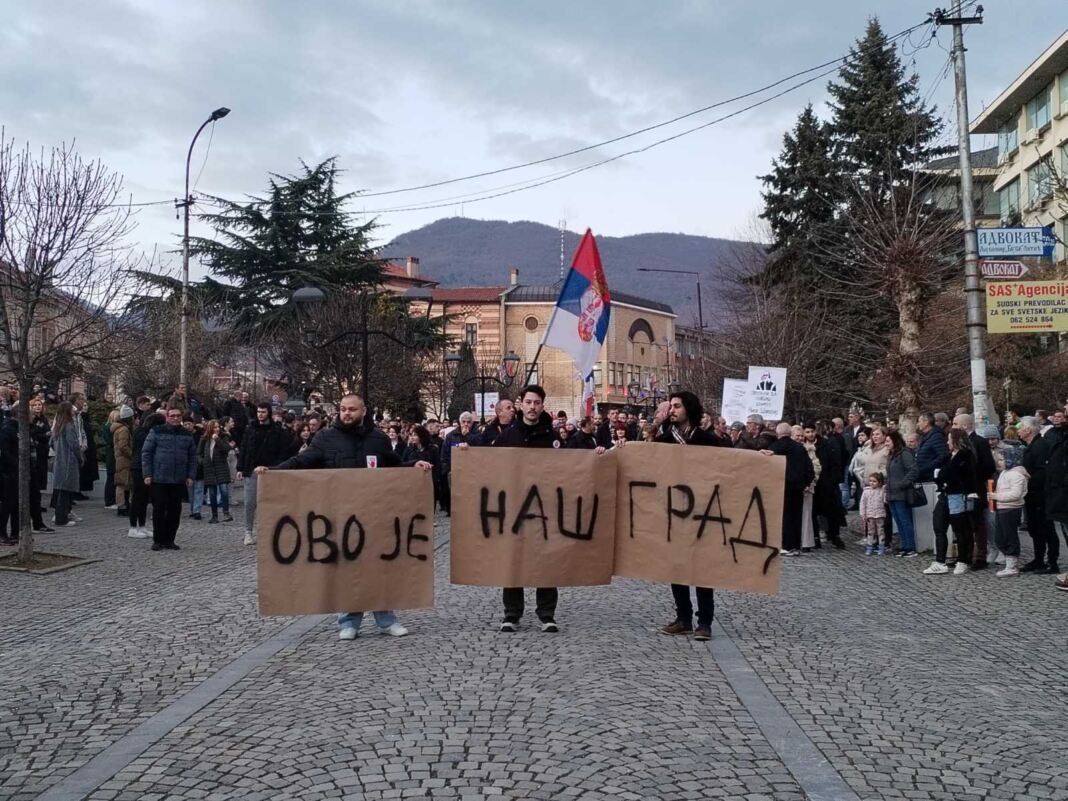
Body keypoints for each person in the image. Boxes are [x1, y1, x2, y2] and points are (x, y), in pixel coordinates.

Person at [258, 394, 431, 640]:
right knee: (347, 569)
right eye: (342, 409)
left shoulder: (377, 439)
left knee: (378, 567)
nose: (346, 413)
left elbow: (393, 467)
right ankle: (348, 621)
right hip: (340, 516)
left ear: (363, 411)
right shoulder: (326, 438)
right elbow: (303, 462)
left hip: (374, 513)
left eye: (351, 409)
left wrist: (413, 467)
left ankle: (386, 618)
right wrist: (273, 472)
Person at [486, 385, 561, 632]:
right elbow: (489, 462)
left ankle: (547, 613)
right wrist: (467, 451)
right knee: (513, 560)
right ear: (521, 404)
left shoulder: (551, 436)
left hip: (544, 509)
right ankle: (512, 613)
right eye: (528, 402)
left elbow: (570, 467)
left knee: (546, 562)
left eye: (536, 403)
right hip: (514, 509)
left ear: (542, 405)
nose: (532, 407)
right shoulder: (509, 434)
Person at [648, 391, 719, 641]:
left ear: (689, 408)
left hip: (701, 511)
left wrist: (762, 457)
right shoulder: (666, 439)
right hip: (673, 512)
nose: (672, 410)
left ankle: (705, 621)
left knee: (701, 568)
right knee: (677, 566)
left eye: (677, 406)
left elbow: (734, 463)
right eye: (671, 407)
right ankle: (683, 618)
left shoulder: (707, 440)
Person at [142, 407, 197, 551]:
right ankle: (158, 540)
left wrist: (191, 475)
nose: (175, 418)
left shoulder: (187, 434)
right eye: (172, 416)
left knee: (175, 511)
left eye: (178, 416)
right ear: (167, 417)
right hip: (159, 478)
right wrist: (147, 474)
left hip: (178, 479)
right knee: (159, 509)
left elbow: (192, 457)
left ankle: (170, 540)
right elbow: (146, 453)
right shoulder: (156, 431)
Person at [923, 429, 977, 576]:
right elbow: (941, 473)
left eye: (949, 439)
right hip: (946, 495)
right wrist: (941, 476)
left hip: (958, 495)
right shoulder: (949, 456)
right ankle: (940, 561)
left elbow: (951, 474)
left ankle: (963, 560)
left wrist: (942, 476)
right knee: (939, 525)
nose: (947, 442)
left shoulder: (965, 455)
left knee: (961, 530)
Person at [237, 403, 289, 547]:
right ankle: (248, 532)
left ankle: (267, 532)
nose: (260, 414)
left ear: (269, 413)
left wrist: (275, 467)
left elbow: (283, 451)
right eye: (259, 412)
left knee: (269, 503)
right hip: (251, 470)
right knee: (249, 502)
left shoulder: (277, 430)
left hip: (270, 471)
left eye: (263, 412)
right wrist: (240, 468)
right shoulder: (250, 429)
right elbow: (244, 448)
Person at [955, 414, 996, 569]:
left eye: (956, 423)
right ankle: (966, 555)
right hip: (962, 488)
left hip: (976, 487)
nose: (953, 426)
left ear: (965, 426)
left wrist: (974, 474)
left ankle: (980, 556)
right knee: (965, 523)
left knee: (978, 523)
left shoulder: (979, 442)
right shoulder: (959, 443)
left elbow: (989, 466)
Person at [769, 422, 815, 556]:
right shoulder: (799, 448)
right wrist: (805, 483)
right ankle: (795, 545)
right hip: (797, 487)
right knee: (796, 516)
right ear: (790, 433)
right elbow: (809, 468)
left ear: (778, 433)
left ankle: (785, 545)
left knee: (784, 517)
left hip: (781, 487)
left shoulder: (774, 447)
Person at [988, 447, 1028, 577]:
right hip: (1002, 507)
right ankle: (1008, 560)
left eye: (1002, 459)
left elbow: (1015, 494)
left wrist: (996, 496)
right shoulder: (1005, 473)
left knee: (1009, 536)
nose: (999, 462)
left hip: (1011, 508)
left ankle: (1012, 564)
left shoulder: (1017, 475)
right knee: (1001, 536)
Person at [885, 430, 918, 557]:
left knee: (905, 520)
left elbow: (913, 470)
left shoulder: (904, 454)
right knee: (898, 521)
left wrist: (903, 484)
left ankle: (910, 546)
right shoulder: (892, 455)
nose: (886, 444)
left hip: (901, 493)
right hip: (892, 492)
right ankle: (903, 545)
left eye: (888, 441)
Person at [129, 413, 163, 538]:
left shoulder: (140, 431)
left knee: (143, 499)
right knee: (138, 498)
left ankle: (142, 526)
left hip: (141, 466)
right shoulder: (145, 434)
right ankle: (133, 527)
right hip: (139, 467)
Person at [50, 401, 83, 527]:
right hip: (68, 460)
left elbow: (51, 442)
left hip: (60, 459)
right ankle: (61, 517)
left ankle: (63, 514)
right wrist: (80, 456)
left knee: (62, 489)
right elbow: (73, 444)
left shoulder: (58, 425)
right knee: (66, 489)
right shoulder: (68, 426)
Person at [793, 425, 821, 552]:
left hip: (807, 486)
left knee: (806, 515)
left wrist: (809, 482)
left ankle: (806, 542)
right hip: (793, 487)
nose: (799, 438)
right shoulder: (789, 449)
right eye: (796, 436)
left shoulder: (809, 449)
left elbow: (816, 467)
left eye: (800, 436)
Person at [199, 420, 233, 524]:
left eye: (218, 427)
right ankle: (214, 516)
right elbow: (199, 453)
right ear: (210, 429)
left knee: (224, 490)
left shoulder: (223, 437)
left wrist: (217, 439)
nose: (217, 429)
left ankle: (226, 513)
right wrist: (203, 461)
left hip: (221, 467)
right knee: (212, 493)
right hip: (209, 468)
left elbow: (226, 449)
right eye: (214, 427)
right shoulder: (204, 439)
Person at [28, 397, 52, 534]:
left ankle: (38, 522)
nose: (37, 407)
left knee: (37, 490)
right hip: (30, 461)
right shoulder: (28, 425)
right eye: (34, 405)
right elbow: (38, 435)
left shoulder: (43, 419)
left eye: (39, 405)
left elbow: (47, 434)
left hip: (40, 455)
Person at [112, 405, 134, 518]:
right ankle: (122, 506)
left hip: (121, 458)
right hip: (124, 459)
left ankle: (124, 504)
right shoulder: (123, 429)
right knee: (122, 483)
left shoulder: (120, 428)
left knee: (124, 482)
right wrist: (132, 454)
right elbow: (123, 446)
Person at [859, 473, 887, 556]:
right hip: (870, 515)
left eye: (874, 481)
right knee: (871, 532)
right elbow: (862, 503)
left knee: (880, 531)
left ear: (879, 482)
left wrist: (885, 491)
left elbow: (885, 501)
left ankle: (881, 547)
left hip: (880, 514)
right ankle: (870, 547)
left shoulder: (881, 491)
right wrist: (863, 514)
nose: (872, 483)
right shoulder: (866, 491)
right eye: (870, 481)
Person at [101, 409, 119, 509]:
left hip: (111, 454)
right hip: (112, 455)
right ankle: (109, 501)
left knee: (111, 478)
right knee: (111, 478)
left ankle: (111, 500)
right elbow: (110, 441)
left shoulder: (107, 427)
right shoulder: (109, 428)